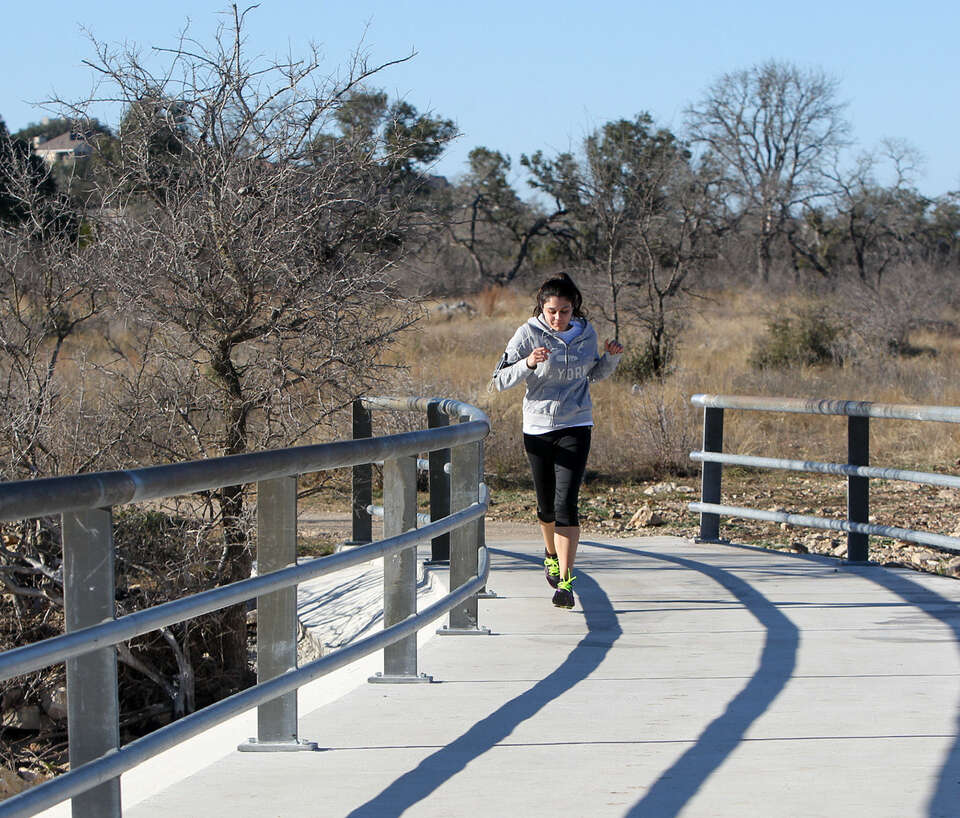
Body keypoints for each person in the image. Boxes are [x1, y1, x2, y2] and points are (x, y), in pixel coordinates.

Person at [491, 273, 623, 608]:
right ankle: (550, 552)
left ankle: (565, 582)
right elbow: (499, 380)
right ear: (542, 308)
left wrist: (610, 358)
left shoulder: (585, 333)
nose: (557, 318)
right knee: (546, 505)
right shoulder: (527, 333)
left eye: (564, 311)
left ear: (574, 308)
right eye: (551, 311)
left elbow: (592, 375)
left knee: (567, 503)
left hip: (576, 423)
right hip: (537, 428)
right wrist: (528, 363)